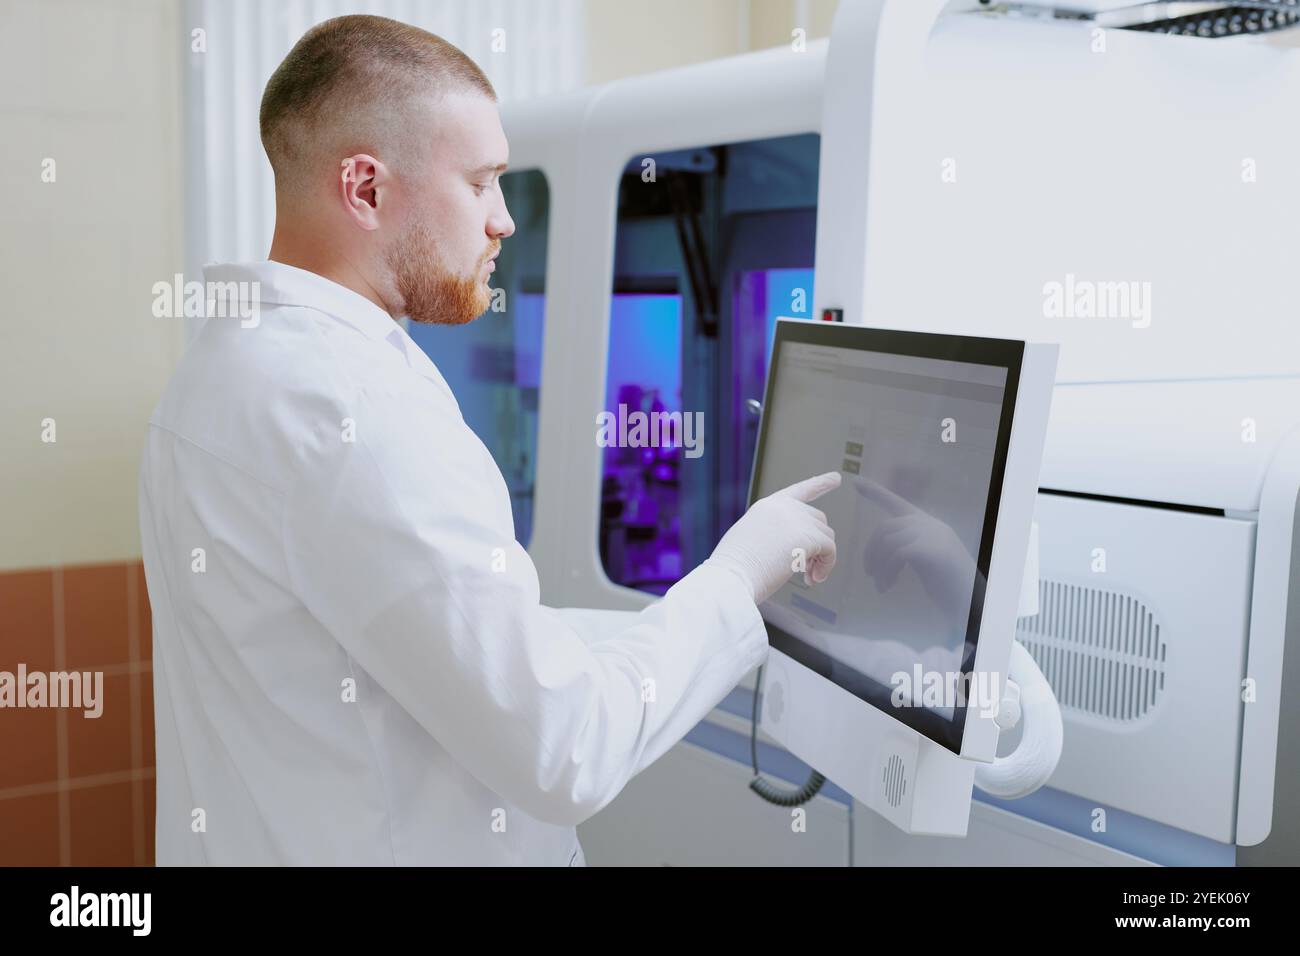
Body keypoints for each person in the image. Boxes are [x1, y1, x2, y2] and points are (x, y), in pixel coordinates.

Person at [138, 14, 838, 866]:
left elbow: (425, 637)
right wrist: (736, 578)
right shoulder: (353, 410)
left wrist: (598, 634)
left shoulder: (219, 370)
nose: (505, 220)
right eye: (480, 184)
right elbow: (565, 748)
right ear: (365, 189)